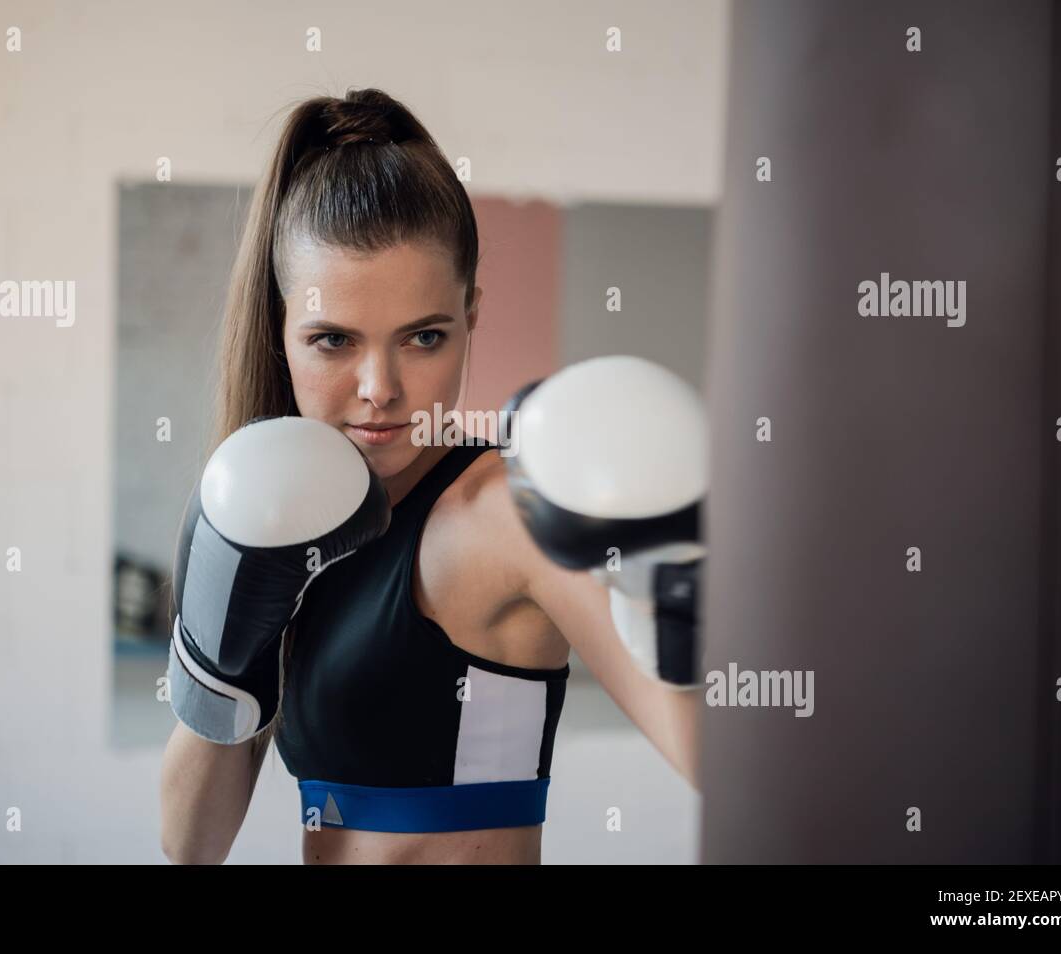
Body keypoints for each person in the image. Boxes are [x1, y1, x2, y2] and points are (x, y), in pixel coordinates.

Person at [159, 88, 703, 865]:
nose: (379, 386)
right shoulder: (272, 521)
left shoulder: (503, 516)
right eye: (333, 340)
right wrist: (217, 662)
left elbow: (729, 766)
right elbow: (190, 846)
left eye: (423, 336)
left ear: (470, 317)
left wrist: (676, 599)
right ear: (280, 334)